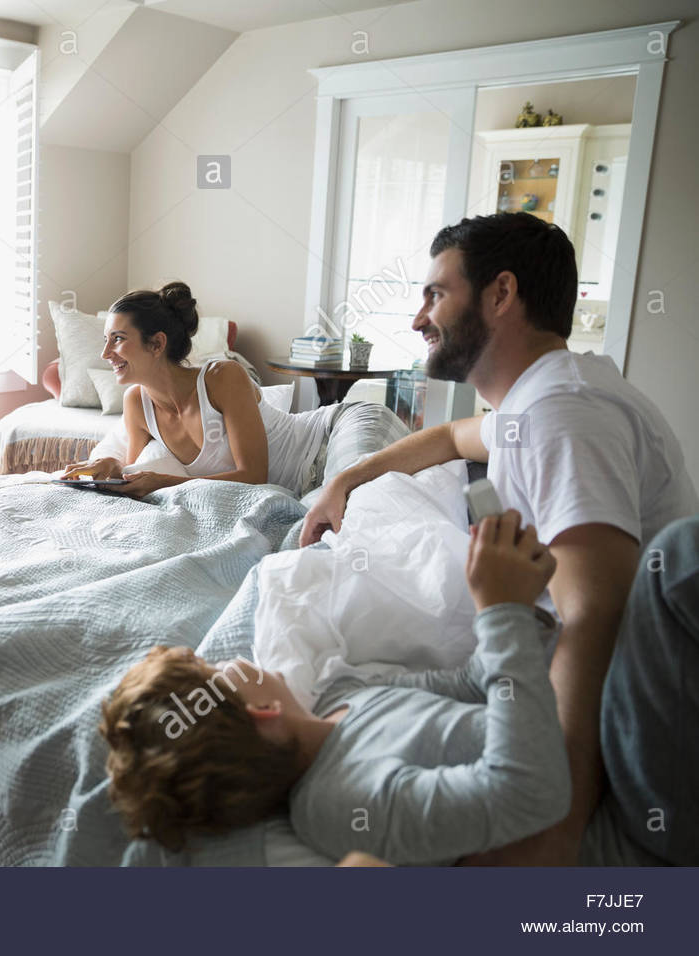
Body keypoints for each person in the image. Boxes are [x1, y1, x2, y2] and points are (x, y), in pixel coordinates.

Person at [298, 212, 697, 863]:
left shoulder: (564, 415)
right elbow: (454, 437)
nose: (418, 317)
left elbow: (592, 617)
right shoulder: (538, 397)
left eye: (436, 293)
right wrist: (348, 476)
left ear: (501, 294)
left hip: (641, 728)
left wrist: (551, 832)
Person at [99, 512, 699, 866]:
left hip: (604, 740)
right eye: (216, 673)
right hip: (624, 812)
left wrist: (515, 597)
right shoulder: (341, 806)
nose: (231, 658)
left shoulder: (345, 689)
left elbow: (471, 683)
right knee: (675, 560)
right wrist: (501, 615)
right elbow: (531, 794)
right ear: (259, 710)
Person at [61, 282, 337, 499]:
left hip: (328, 438)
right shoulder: (136, 402)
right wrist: (113, 466)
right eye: (106, 340)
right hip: (305, 486)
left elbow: (254, 475)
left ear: (157, 344)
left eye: (118, 339)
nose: (105, 353)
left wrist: (167, 484)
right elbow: (136, 475)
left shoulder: (222, 378)